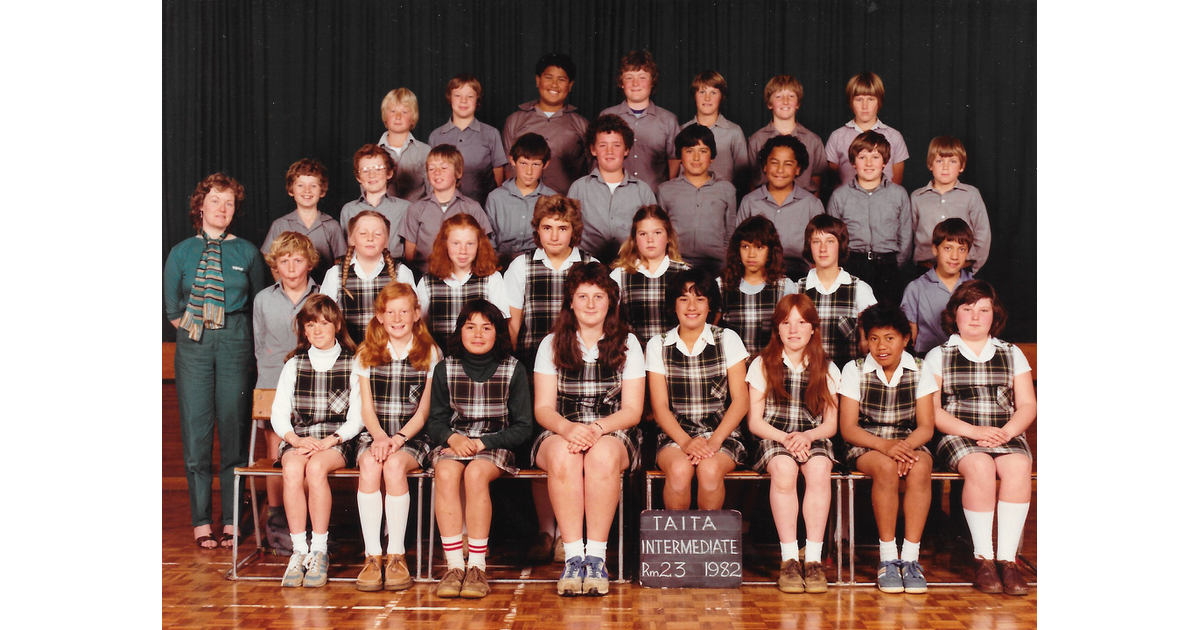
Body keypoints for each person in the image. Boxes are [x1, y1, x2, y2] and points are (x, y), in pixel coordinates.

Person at [164, 173, 269, 550]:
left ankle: (231, 521)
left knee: (234, 431)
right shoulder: (181, 252)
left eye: (229, 203)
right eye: (215, 201)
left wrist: (227, 331)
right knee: (197, 433)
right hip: (194, 343)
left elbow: (259, 303)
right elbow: (172, 306)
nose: (222, 209)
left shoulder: (247, 252)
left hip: (235, 342)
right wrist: (200, 327)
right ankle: (201, 521)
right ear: (200, 206)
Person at [532, 263, 645, 596]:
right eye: (583, 296)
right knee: (566, 458)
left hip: (611, 428)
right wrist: (569, 429)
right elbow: (542, 409)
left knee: (601, 457)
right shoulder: (551, 343)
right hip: (561, 427)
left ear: (611, 301)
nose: (591, 304)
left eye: (599, 296)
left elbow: (633, 411)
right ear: (571, 301)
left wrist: (596, 428)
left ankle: (596, 557)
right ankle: (572, 557)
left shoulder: (628, 343)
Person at [926, 281, 1035, 597]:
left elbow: (1028, 404)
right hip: (959, 433)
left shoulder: (1011, 353)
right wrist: (974, 432)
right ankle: (984, 559)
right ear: (954, 315)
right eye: (967, 309)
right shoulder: (939, 355)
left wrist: (1008, 432)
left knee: (1018, 467)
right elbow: (933, 412)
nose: (975, 317)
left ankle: (1008, 560)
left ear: (994, 315)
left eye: (983, 310)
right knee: (981, 469)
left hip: (1004, 431)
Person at [503, 194, 595, 564]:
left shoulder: (589, 264)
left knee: (578, 449)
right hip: (533, 371)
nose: (554, 235)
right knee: (545, 447)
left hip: (582, 373)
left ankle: (573, 534)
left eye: (562, 228)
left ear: (574, 231)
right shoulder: (522, 266)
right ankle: (547, 530)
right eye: (547, 228)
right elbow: (513, 324)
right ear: (537, 230)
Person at [427, 300, 534, 599]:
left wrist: (484, 443)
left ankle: (476, 565)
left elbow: (523, 427)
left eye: (486, 327)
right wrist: (452, 439)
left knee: (475, 474)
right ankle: (453, 566)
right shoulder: (444, 368)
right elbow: (434, 422)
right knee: (446, 472)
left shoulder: (513, 369)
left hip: (494, 444)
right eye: (470, 326)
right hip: (456, 442)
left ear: (497, 332)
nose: (477, 334)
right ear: (459, 331)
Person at [838, 303, 936, 595]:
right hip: (867, 443)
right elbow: (849, 428)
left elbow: (926, 427)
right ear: (866, 340)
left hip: (908, 442)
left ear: (906, 339)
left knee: (920, 468)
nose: (881, 346)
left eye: (890, 338)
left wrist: (903, 448)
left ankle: (911, 559)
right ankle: (887, 558)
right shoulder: (854, 369)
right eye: (874, 338)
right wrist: (886, 447)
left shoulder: (920, 369)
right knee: (885, 468)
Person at [745, 294, 838, 594]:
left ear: (813, 328)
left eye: (801, 322)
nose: (794, 329)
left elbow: (831, 424)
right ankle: (788, 560)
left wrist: (807, 437)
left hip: (812, 437)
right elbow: (755, 422)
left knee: (820, 469)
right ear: (778, 329)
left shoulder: (826, 367)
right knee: (784, 470)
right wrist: (787, 438)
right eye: (786, 323)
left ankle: (812, 559)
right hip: (775, 437)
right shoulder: (762, 364)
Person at [352, 282, 441, 592]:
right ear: (379, 316)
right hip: (376, 435)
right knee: (371, 467)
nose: (397, 317)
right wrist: (379, 437)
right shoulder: (366, 352)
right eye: (390, 311)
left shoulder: (429, 352)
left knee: (392, 467)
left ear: (417, 314)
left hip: (412, 438)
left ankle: (397, 555)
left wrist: (398, 439)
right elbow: (366, 407)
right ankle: (372, 555)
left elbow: (424, 411)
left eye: (404, 310)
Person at [271, 294, 363, 588]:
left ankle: (319, 549)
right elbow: (279, 414)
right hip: (300, 438)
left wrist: (331, 441)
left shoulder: (353, 362)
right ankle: (299, 550)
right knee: (293, 469)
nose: (318, 330)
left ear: (337, 325)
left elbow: (358, 418)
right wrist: (295, 439)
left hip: (337, 440)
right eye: (311, 325)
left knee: (314, 469)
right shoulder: (294, 364)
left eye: (324, 323)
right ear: (304, 329)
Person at [646, 269, 750, 510]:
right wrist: (685, 443)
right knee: (680, 470)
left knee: (710, 469)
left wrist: (713, 443)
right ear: (674, 305)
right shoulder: (658, 345)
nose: (691, 306)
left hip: (722, 435)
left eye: (699, 298)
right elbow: (660, 407)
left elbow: (740, 401)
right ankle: (680, 546)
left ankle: (707, 547)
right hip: (675, 435)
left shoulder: (728, 339)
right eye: (684, 299)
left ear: (709, 304)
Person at [253, 231, 322, 552]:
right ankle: (277, 520)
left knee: (308, 454)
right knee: (276, 453)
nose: (291, 267)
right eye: (284, 261)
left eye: (298, 260)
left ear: (309, 262)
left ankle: (309, 523)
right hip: (272, 382)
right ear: (275, 265)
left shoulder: (321, 296)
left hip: (311, 385)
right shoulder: (264, 299)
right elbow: (259, 345)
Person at [826, 130, 912, 305]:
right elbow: (832, 237)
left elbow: (906, 238)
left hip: (887, 267)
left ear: (885, 162)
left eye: (876, 157)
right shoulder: (840, 196)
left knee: (885, 321)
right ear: (853, 162)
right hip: (852, 264)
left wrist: (894, 265)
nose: (869, 163)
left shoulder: (899, 194)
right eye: (862, 157)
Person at [567, 114, 657, 265]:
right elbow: (568, 231)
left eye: (616, 145)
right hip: (587, 265)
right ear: (593, 150)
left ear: (626, 150)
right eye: (603, 145)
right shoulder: (579, 188)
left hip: (631, 265)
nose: (610, 151)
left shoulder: (643, 191)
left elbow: (653, 232)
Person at [415, 213, 509, 351]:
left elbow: (500, 328)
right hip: (440, 361)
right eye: (456, 243)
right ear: (444, 244)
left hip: (480, 361)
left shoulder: (492, 279)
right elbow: (420, 328)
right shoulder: (427, 282)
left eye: (470, 244)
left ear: (479, 245)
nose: (463, 251)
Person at [736, 135, 825, 278]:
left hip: (800, 275)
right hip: (758, 276)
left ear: (798, 169)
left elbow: (821, 248)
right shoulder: (750, 202)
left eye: (788, 164)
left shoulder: (811, 204)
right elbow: (737, 245)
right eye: (774, 163)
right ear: (765, 165)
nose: (780, 170)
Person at [501, 53, 590, 195]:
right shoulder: (515, 121)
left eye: (561, 79)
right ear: (538, 80)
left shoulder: (581, 125)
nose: (554, 84)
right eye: (549, 77)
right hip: (522, 204)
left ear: (570, 85)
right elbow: (507, 168)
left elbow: (591, 169)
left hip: (564, 205)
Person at [321, 210, 415, 343]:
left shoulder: (401, 273)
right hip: (348, 354)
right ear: (351, 239)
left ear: (386, 241)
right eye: (363, 233)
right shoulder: (335, 274)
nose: (370, 238)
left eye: (377, 234)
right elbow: (323, 319)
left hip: (389, 354)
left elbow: (412, 318)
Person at [797, 215, 877, 370]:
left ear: (841, 245)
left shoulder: (859, 289)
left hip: (846, 380)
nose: (823, 249)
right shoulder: (797, 289)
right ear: (809, 246)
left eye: (830, 241)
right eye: (816, 242)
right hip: (806, 377)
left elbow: (873, 341)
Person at [400, 145, 494, 276]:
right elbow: (410, 255)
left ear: (458, 172)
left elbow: (484, 247)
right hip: (425, 276)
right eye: (431, 168)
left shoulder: (472, 208)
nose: (437, 172)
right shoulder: (416, 209)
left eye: (444, 167)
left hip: (464, 276)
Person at [657, 124, 738, 275]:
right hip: (676, 263)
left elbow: (730, 233)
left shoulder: (726, 190)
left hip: (716, 265)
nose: (696, 158)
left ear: (712, 156)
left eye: (703, 151)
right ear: (680, 156)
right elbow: (661, 231)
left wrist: (725, 263)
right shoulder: (665, 190)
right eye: (689, 151)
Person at [599, 50, 680, 193]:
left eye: (642, 77)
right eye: (629, 78)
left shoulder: (668, 120)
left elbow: (674, 160)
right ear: (621, 83)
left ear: (652, 82)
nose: (635, 83)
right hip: (615, 196)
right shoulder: (606, 116)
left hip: (654, 199)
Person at [609, 205, 689, 347]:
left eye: (657, 233)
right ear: (634, 239)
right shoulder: (620, 275)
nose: (650, 240)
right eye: (643, 234)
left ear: (668, 237)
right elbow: (611, 322)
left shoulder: (684, 273)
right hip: (634, 355)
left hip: (674, 355)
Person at [719, 216, 797, 361]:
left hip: (771, 367)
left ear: (770, 251)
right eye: (745, 247)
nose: (751, 254)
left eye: (759, 247)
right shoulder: (722, 285)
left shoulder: (784, 287)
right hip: (732, 368)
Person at [910, 136, 992, 274]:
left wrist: (971, 269)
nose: (945, 167)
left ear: (962, 166)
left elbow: (982, 235)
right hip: (926, 269)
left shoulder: (971, 195)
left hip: (962, 269)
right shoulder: (917, 197)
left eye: (953, 161)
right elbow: (909, 236)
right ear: (930, 164)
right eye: (939, 161)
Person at [261, 158, 346, 283]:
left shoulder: (332, 226)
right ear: (291, 190)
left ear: (321, 191)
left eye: (313, 185)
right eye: (300, 185)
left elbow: (338, 264)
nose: (307, 190)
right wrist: (286, 290)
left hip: (321, 295)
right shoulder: (280, 225)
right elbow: (271, 261)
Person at [428, 73, 507, 205]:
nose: (463, 101)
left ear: (477, 100)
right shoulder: (436, 136)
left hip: (482, 209)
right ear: (450, 98)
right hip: (445, 209)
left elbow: (499, 179)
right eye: (458, 96)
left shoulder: (491, 134)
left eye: (470, 96)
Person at [901, 218, 974, 356]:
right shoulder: (916, 288)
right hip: (926, 357)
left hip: (965, 358)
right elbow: (909, 337)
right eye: (948, 248)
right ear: (935, 249)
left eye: (962, 249)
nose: (954, 256)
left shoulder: (974, 288)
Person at [485, 132, 557, 268]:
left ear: (546, 164)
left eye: (535, 165)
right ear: (512, 160)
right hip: (500, 265)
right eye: (523, 163)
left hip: (538, 266)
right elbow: (489, 240)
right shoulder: (496, 198)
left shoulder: (552, 199)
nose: (529, 171)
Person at [825, 72, 909, 188]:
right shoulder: (837, 136)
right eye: (859, 100)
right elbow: (833, 181)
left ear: (879, 101)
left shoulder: (894, 136)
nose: (865, 106)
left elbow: (896, 183)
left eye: (871, 99)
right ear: (851, 102)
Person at [746, 74, 826, 196]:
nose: (785, 101)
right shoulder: (756, 140)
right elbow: (752, 179)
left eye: (791, 96)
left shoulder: (813, 140)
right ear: (769, 104)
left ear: (798, 103)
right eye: (778, 96)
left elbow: (817, 179)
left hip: (803, 206)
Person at [679, 70, 750, 188]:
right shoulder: (682, 130)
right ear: (694, 96)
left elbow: (743, 176)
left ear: (722, 96)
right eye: (702, 92)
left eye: (713, 93)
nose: (707, 98)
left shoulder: (733, 132)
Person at [340, 144, 412, 260]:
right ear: (358, 177)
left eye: (378, 169)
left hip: (395, 271)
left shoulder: (405, 208)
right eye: (365, 170)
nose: (372, 175)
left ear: (389, 173)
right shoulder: (348, 210)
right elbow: (345, 250)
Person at [378, 87, 432, 202]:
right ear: (385, 116)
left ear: (413, 118)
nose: (398, 116)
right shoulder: (373, 153)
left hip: (417, 217)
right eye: (392, 111)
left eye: (404, 112)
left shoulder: (425, 152)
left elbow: (432, 193)